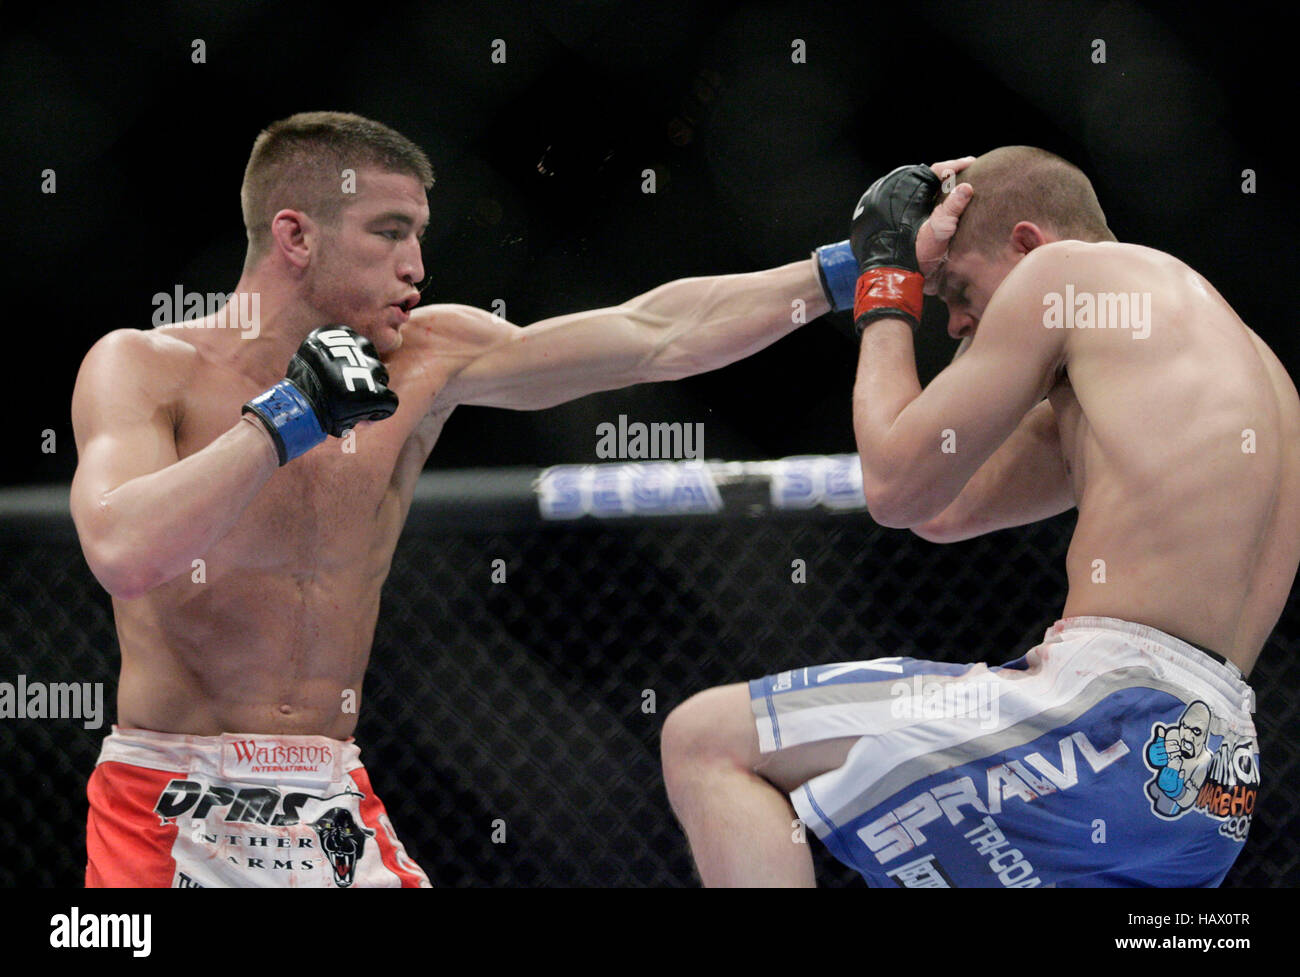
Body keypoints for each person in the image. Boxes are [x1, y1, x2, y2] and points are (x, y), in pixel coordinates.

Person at [70, 110, 865, 887]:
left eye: (417, 234)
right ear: (296, 236)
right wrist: (282, 421)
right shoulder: (146, 366)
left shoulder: (425, 357)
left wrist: (841, 270)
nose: (416, 264)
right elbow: (122, 551)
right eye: (388, 232)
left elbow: (655, 334)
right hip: (168, 796)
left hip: (329, 795)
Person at [661, 146, 1299, 887]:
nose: (959, 323)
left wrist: (887, 288)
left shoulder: (1063, 276)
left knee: (708, 739)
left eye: (958, 288)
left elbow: (896, 484)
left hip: (1104, 712)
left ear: (1027, 244)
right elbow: (943, 506)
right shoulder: (1240, 371)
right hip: (1211, 783)